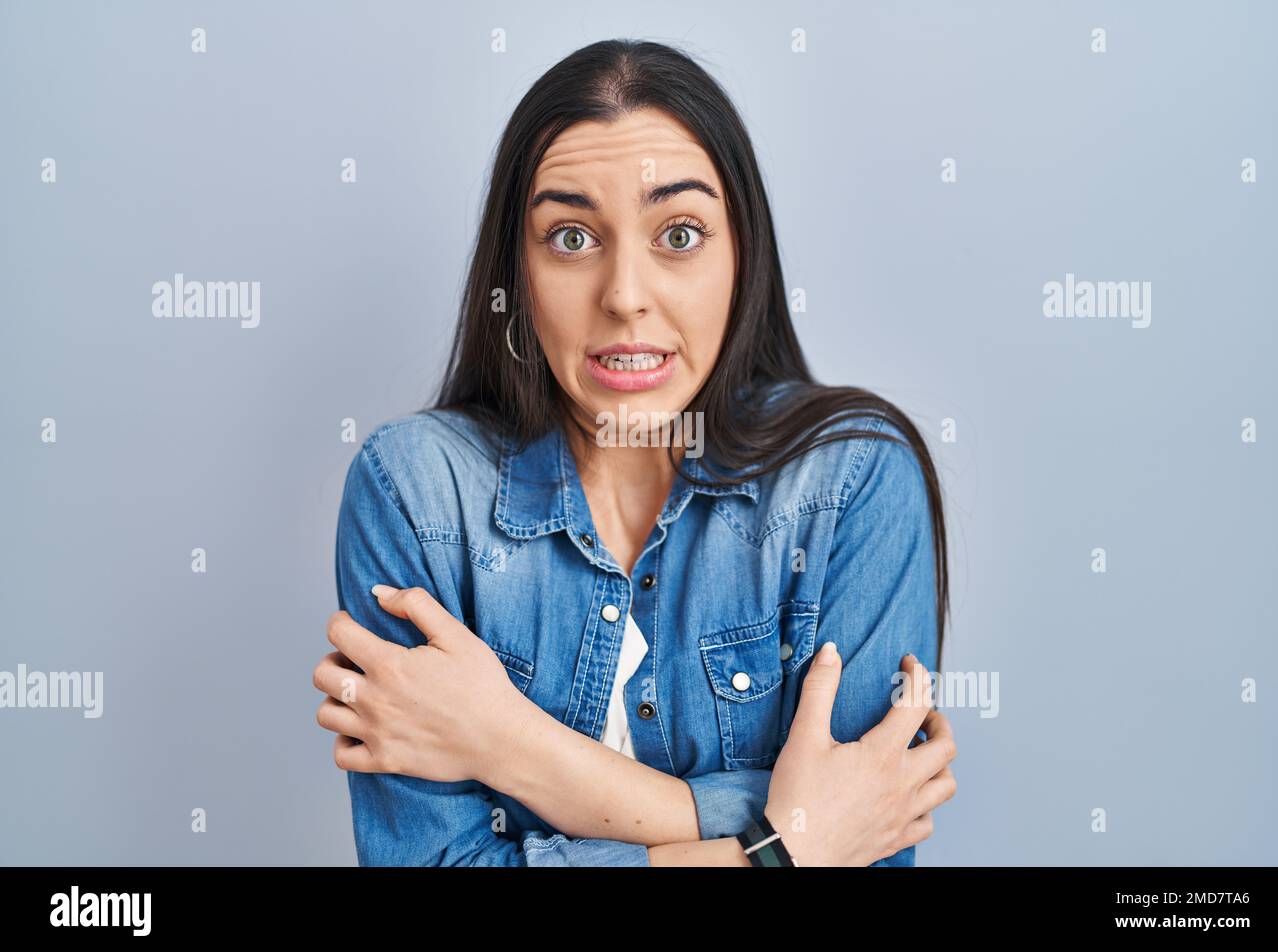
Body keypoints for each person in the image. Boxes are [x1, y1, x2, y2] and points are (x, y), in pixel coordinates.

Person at [312, 38, 957, 866]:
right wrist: (779, 848)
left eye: (679, 234)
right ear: (516, 269)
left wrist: (506, 744)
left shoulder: (853, 478)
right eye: (572, 238)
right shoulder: (417, 493)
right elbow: (838, 828)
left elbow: (874, 833)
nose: (624, 296)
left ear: (743, 257)